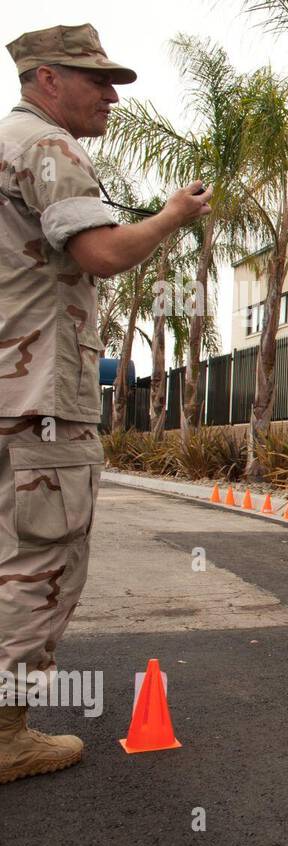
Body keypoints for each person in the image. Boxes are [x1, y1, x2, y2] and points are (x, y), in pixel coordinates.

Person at [0, 23, 211, 784]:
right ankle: (5, 732)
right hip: (42, 403)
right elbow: (102, 254)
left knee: (8, 558)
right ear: (46, 79)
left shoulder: (6, 143)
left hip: (12, 399)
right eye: (97, 79)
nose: (113, 95)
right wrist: (170, 217)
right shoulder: (47, 147)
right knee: (40, 564)